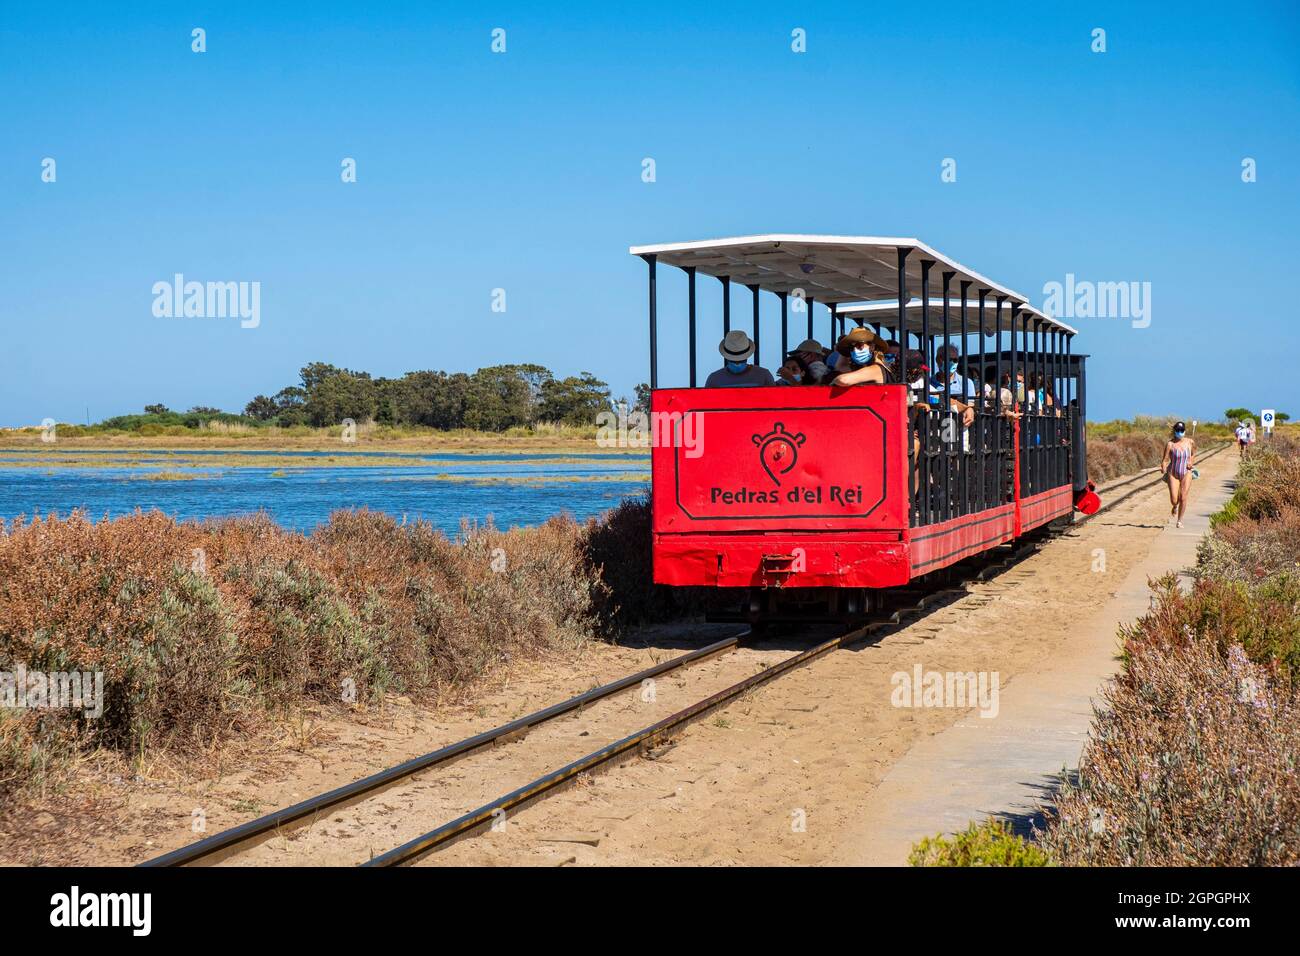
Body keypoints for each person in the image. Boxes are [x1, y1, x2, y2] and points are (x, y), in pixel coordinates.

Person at [704, 330, 774, 387]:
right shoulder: (764, 375)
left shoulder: (714, 379)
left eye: (740, 359)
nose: (737, 363)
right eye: (734, 360)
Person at [1161, 420, 1196, 528]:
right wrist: (1163, 466)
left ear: (1184, 431)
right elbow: (1165, 459)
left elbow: (1193, 454)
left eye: (1182, 430)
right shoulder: (1170, 444)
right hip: (1173, 473)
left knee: (1184, 497)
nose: (1180, 432)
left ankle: (1179, 521)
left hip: (1186, 473)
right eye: (1178, 430)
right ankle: (1175, 506)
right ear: (1174, 431)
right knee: (1174, 499)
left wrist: (1191, 462)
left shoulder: (1190, 442)